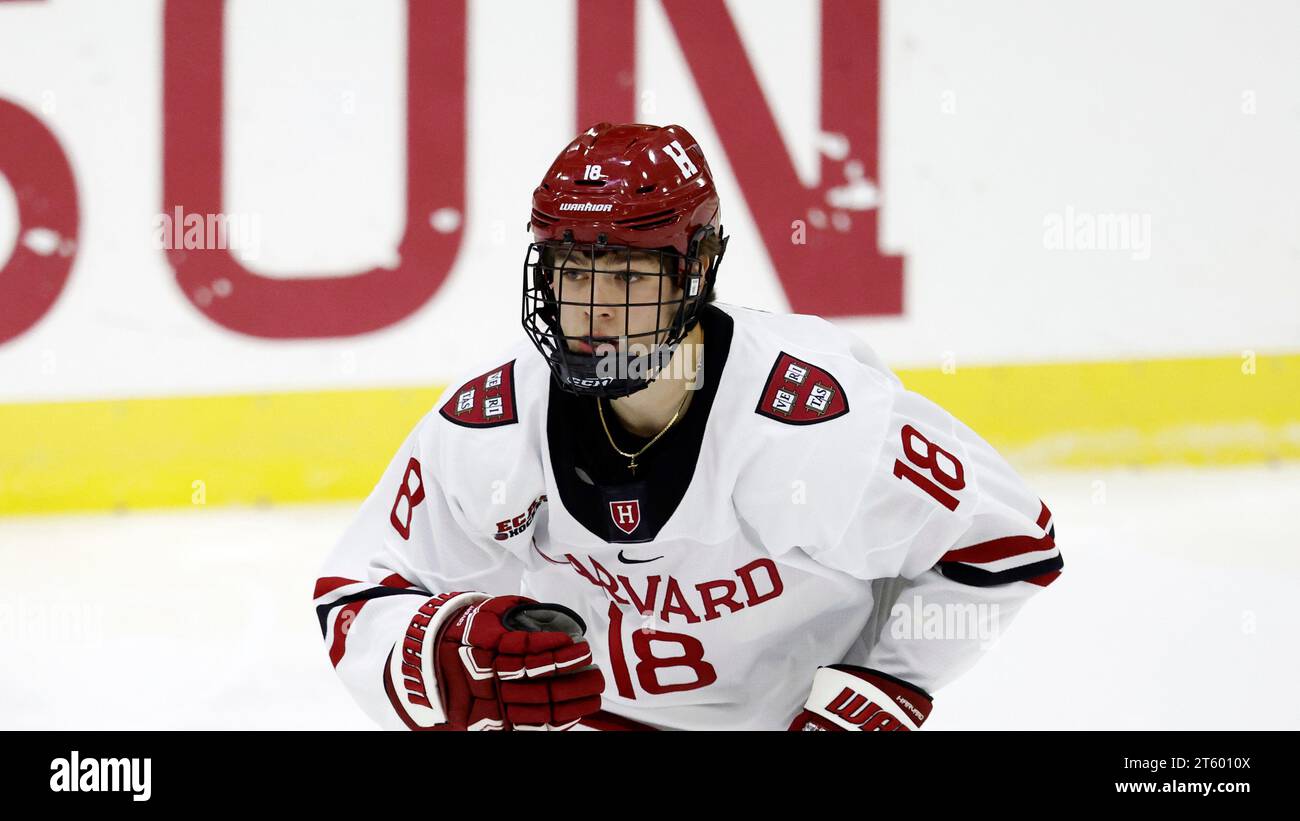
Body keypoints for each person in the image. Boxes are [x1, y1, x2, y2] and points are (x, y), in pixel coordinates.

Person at [314, 122, 1063, 731]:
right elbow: (358, 591)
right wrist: (436, 649)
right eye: (573, 273)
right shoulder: (493, 424)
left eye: (629, 277)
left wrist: (884, 691)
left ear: (696, 271)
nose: (594, 309)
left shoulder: (815, 430)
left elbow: (1007, 545)